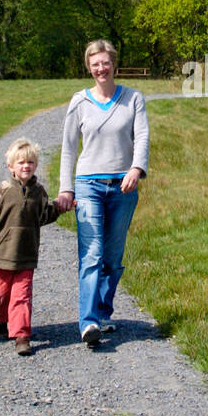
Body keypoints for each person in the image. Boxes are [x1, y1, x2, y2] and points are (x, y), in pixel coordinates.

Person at [57, 40, 148, 347]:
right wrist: (66, 188)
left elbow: (142, 137)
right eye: (95, 64)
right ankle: (89, 321)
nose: (101, 68)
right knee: (92, 254)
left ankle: (103, 311)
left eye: (105, 63)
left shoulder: (133, 98)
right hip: (89, 185)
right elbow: (69, 148)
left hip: (122, 185)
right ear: (89, 67)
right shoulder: (79, 101)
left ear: (114, 65)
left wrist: (136, 169)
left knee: (113, 257)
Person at [0, 137, 65, 356]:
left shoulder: (39, 193)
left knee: (22, 296)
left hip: (26, 255)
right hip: (2, 254)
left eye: (30, 162)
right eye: (21, 162)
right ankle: (1, 320)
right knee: (0, 295)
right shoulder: (3, 190)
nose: (26, 166)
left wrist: (60, 208)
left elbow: (44, 216)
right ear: (11, 166)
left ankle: (21, 335)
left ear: (36, 166)